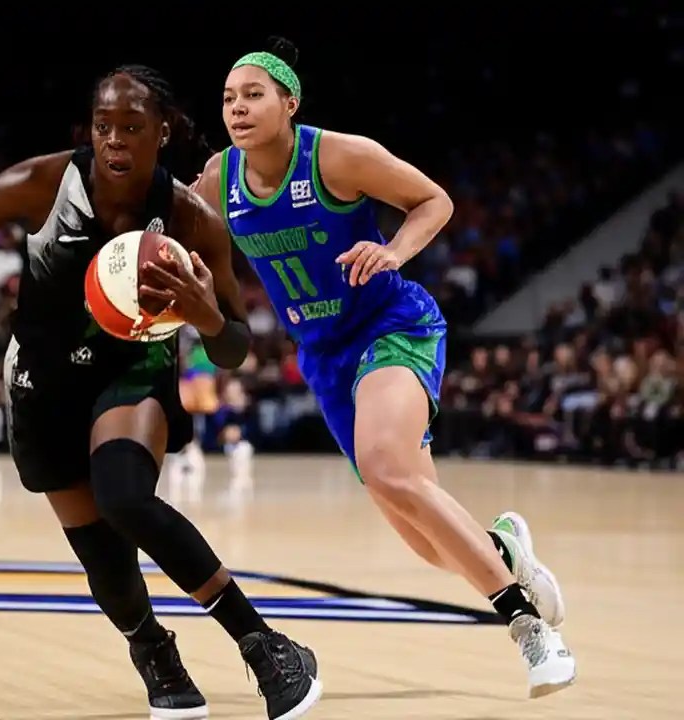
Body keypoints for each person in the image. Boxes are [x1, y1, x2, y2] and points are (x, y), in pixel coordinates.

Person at [189, 38, 576, 699]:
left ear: (289, 102)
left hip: (392, 326)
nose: (238, 108)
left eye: (253, 95)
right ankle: (504, 548)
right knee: (423, 540)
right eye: (229, 98)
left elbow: (434, 201)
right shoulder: (218, 181)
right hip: (323, 355)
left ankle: (529, 628)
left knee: (390, 467)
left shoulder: (337, 155)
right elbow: (184, 244)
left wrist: (394, 250)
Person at [0, 65, 321, 720]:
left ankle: (264, 644)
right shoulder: (45, 182)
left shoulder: (193, 220)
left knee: (124, 498)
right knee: (101, 554)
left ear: (162, 133)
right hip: (42, 379)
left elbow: (234, 346)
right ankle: (154, 652)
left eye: (132, 127)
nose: (114, 139)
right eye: (103, 125)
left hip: (131, 370)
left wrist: (202, 315)